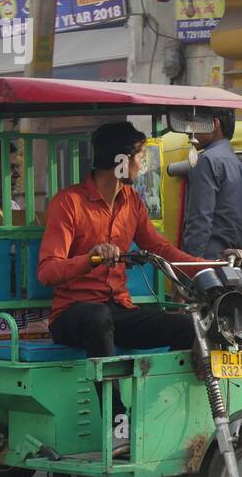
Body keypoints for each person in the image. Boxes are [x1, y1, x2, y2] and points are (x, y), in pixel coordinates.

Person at [38, 122, 206, 362]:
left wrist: (208, 266)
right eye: (140, 157)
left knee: (187, 325)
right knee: (97, 316)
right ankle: (112, 400)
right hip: (72, 314)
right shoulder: (68, 203)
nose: (143, 165)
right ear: (121, 161)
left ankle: (162, 396)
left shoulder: (132, 201)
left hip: (119, 310)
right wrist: (90, 259)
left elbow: (160, 248)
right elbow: (47, 272)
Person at [181, 109, 242, 260]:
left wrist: (189, 268)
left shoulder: (206, 161)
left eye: (194, 123)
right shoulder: (238, 164)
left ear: (215, 124)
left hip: (210, 261)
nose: (189, 130)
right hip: (235, 260)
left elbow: (199, 221)